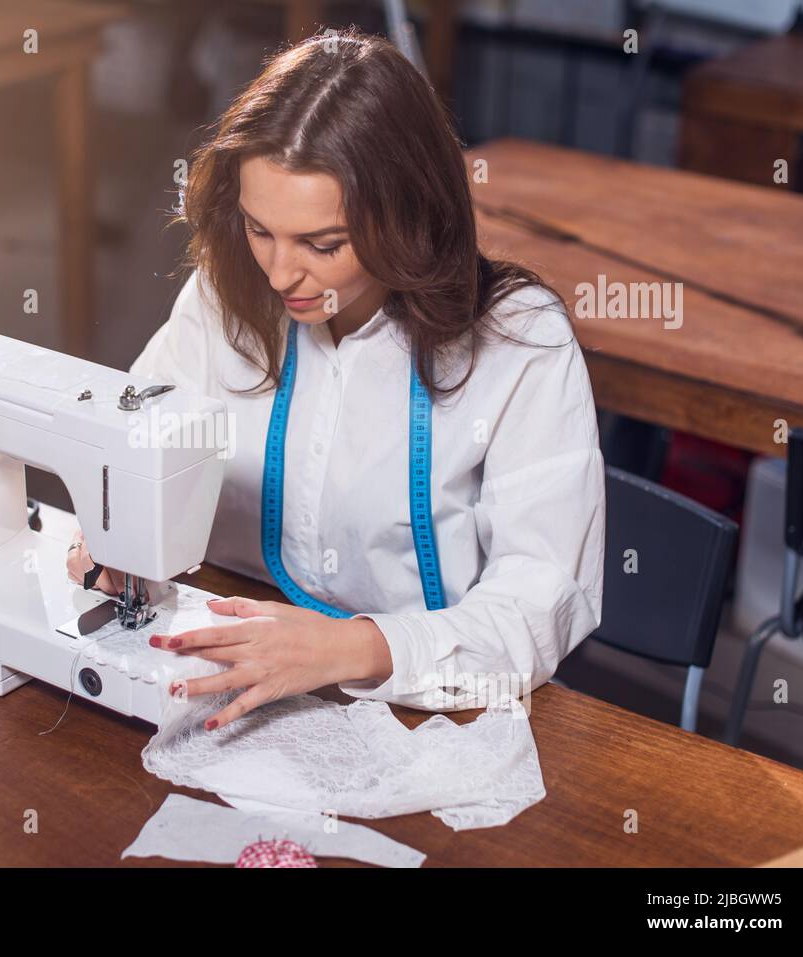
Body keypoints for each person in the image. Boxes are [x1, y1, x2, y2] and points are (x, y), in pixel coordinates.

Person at [67, 28, 604, 731]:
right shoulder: (225, 295)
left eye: (323, 244)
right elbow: (129, 444)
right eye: (260, 229)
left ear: (408, 215)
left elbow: (539, 605)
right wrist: (111, 535)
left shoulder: (519, 343)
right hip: (225, 661)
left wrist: (349, 647)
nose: (281, 273)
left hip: (434, 707)